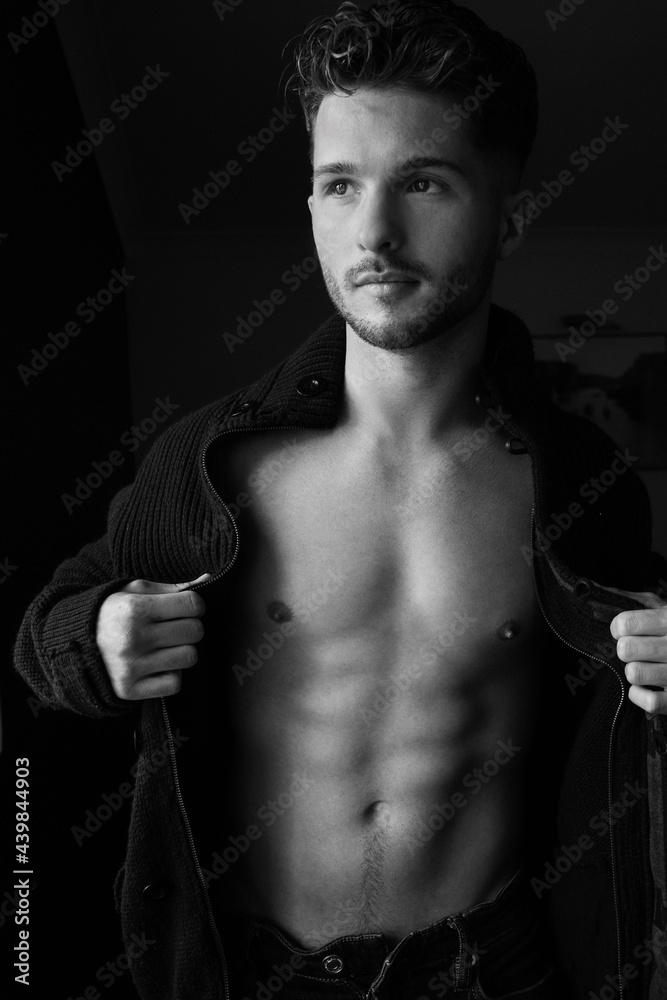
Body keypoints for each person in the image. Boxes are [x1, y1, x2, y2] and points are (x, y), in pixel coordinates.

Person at [14, 2, 667, 998]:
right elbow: (42, 631)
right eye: (339, 185)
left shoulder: (579, 478)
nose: (375, 230)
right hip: (246, 971)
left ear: (508, 213)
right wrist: (92, 638)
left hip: (492, 968)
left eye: (424, 183)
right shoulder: (214, 461)